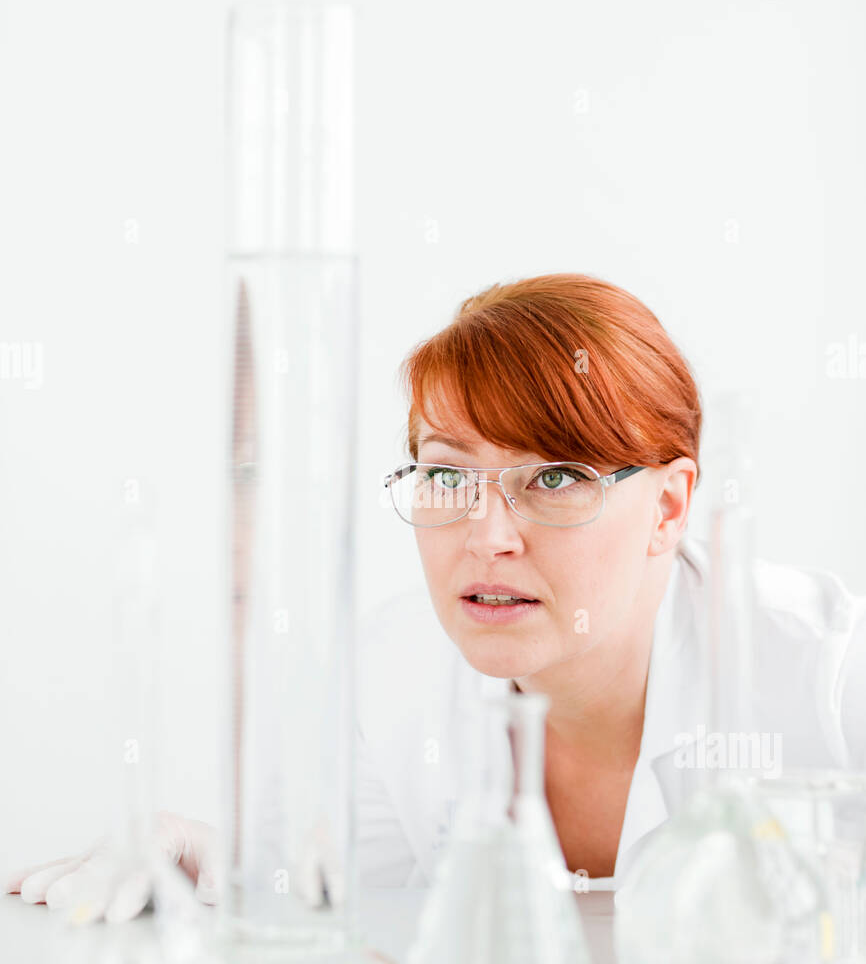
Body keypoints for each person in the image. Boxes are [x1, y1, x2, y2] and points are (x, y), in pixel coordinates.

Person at [6, 273, 866, 913]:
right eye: (448, 475)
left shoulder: (829, 680)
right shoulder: (388, 681)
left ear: (670, 505)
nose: (489, 535)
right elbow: (340, 906)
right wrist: (211, 867)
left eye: (555, 477)